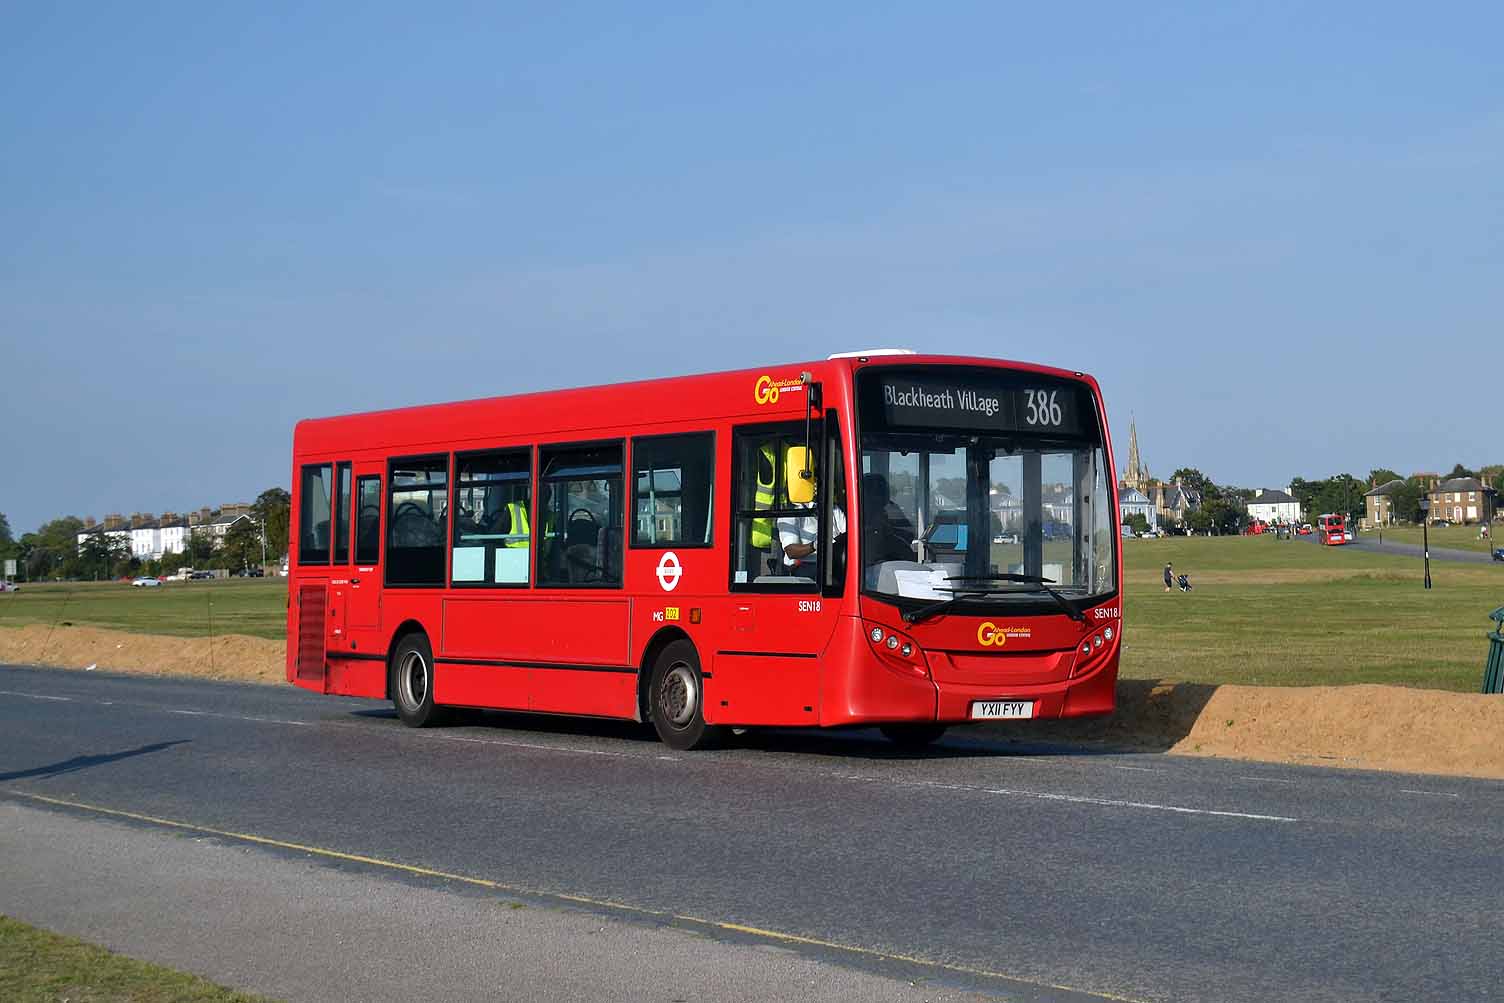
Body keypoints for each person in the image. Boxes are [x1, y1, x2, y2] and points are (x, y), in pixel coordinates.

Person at [777, 500, 845, 578]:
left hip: (834, 561)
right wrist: (816, 545)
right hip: (805, 566)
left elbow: (847, 533)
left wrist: (833, 542)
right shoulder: (790, 513)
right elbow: (791, 551)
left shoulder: (833, 508)